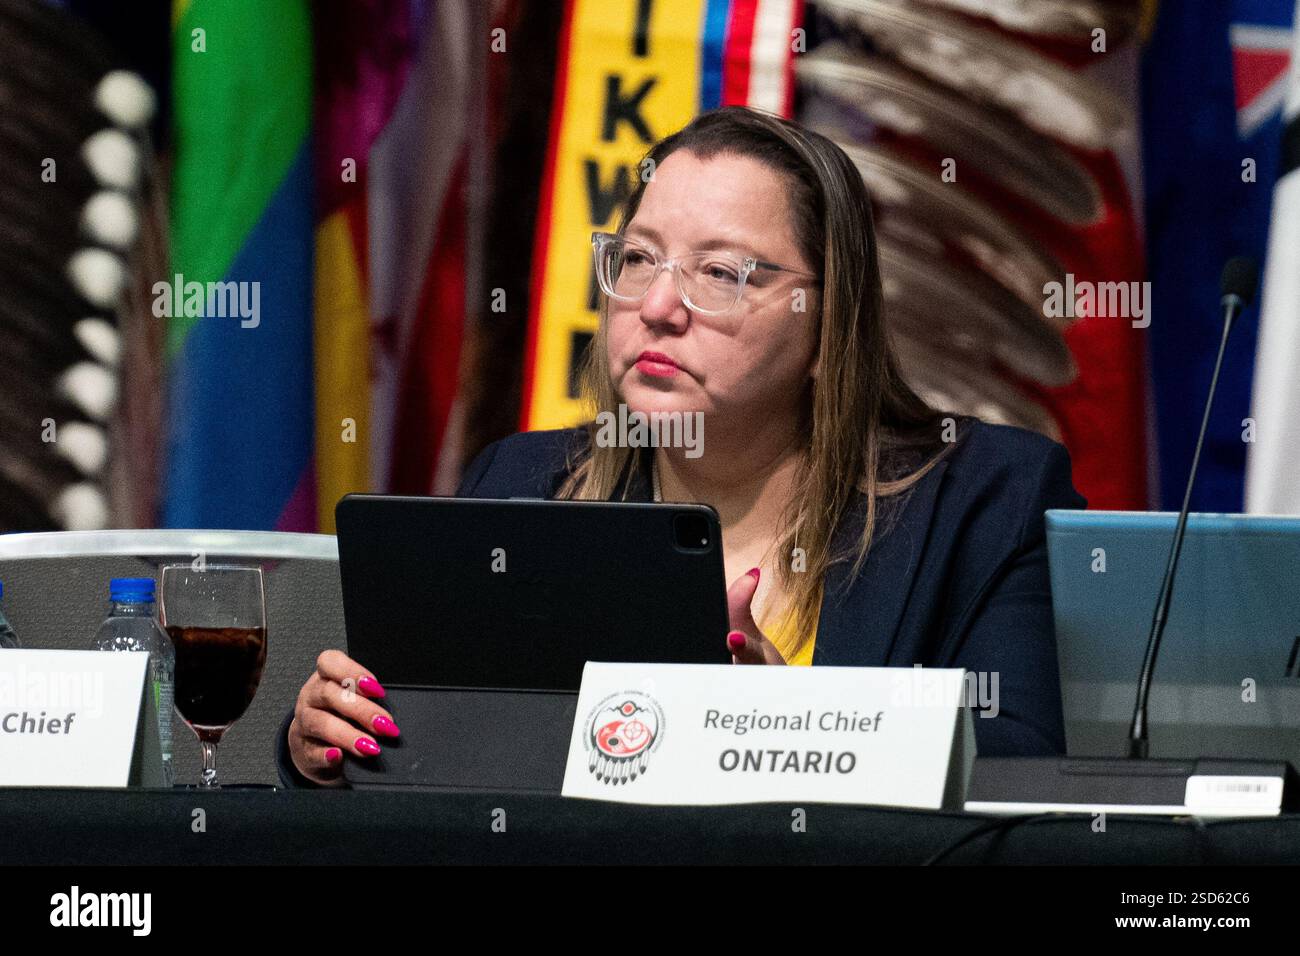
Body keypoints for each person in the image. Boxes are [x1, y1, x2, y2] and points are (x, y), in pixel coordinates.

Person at [279, 105, 1085, 787]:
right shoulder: (523, 480)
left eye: (721, 272)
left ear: (828, 319)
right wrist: (324, 742)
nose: (658, 304)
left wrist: (801, 735)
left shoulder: (989, 500)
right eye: (637, 258)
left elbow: (1020, 774)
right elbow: (443, 763)